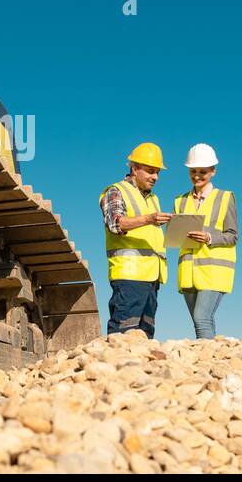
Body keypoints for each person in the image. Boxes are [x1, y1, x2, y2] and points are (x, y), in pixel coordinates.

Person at [100, 143, 172, 338]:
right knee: (122, 334)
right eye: (150, 171)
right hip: (129, 276)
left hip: (152, 278)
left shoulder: (153, 199)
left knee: (145, 335)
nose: (155, 177)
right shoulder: (116, 191)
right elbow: (116, 224)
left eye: (157, 172)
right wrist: (149, 219)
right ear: (134, 168)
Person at [173, 143, 238, 339]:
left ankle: (205, 361)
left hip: (214, 271)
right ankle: (211, 360)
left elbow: (233, 235)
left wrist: (209, 237)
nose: (197, 176)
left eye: (202, 171)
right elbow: (177, 235)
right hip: (188, 271)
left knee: (202, 317)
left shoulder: (225, 198)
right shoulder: (180, 201)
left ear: (213, 171)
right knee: (199, 320)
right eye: (193, 171)